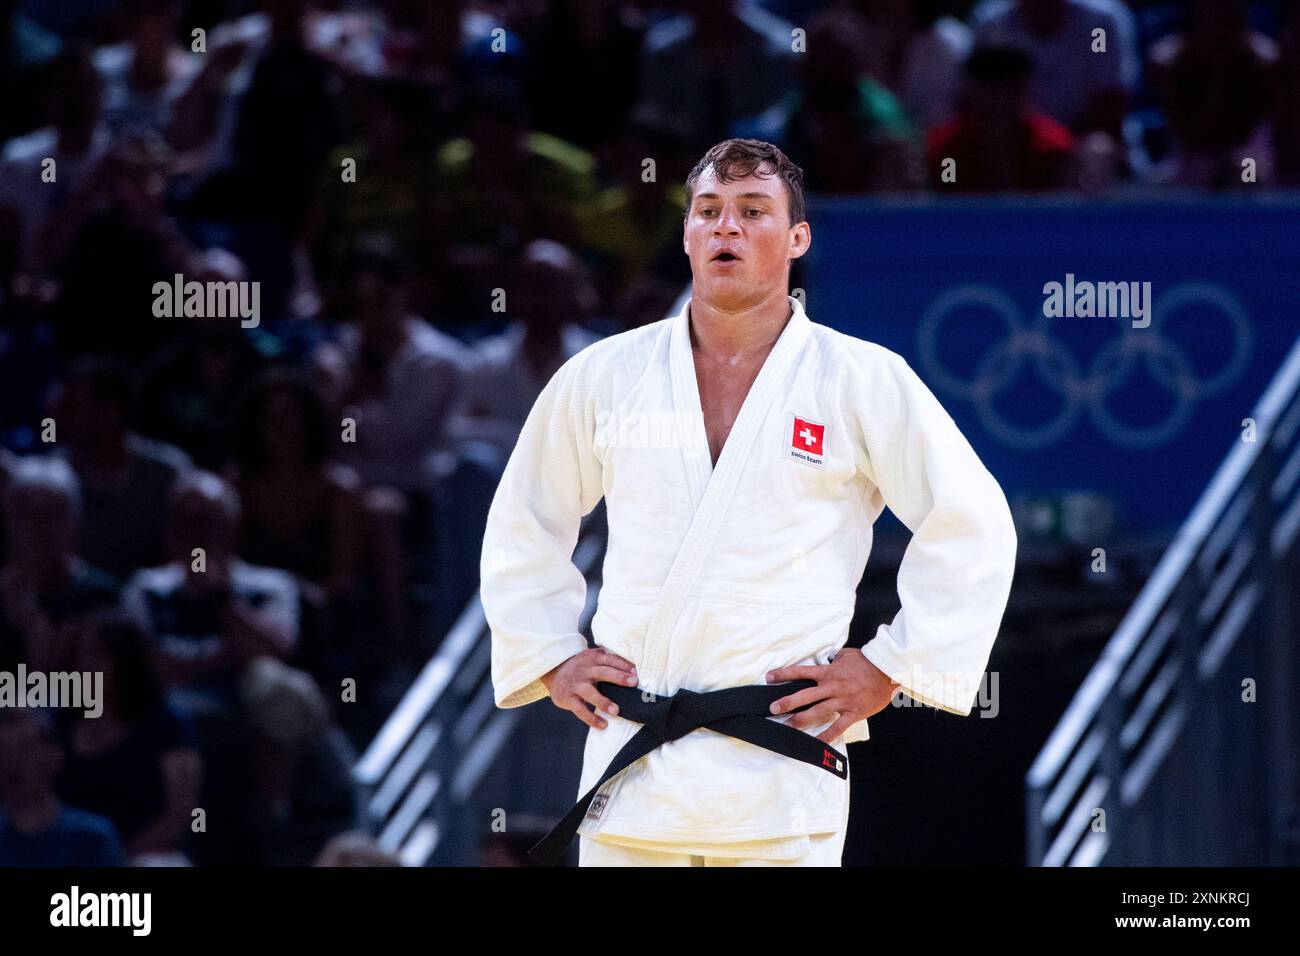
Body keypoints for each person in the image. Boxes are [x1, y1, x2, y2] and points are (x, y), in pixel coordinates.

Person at [481, 138, 1018, 867]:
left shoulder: (859, 379)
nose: (726, 227)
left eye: (752, 211)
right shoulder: (606, 376)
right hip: (636, 771)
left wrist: (891, 666)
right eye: (709, 211)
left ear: (798, 238)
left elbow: (973, 524)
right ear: (687, 235)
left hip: (781, 773)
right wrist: (550, 654)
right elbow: (525, 520)